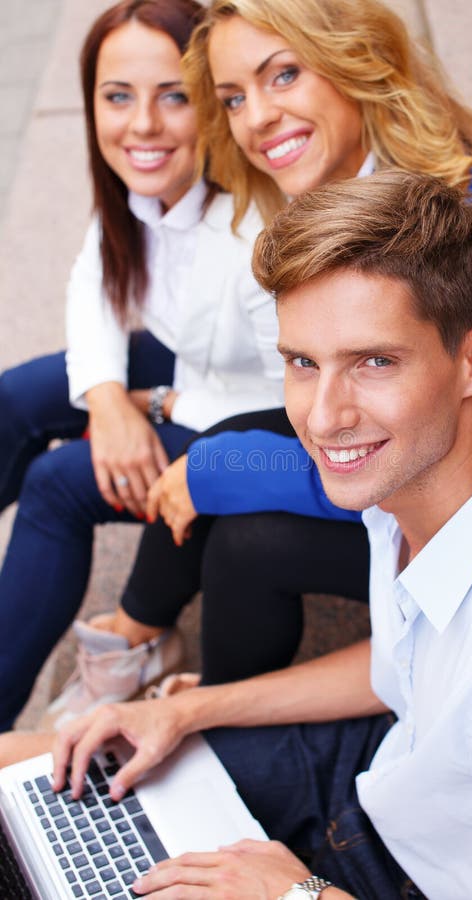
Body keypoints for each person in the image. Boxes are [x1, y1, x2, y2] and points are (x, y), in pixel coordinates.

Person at [12, 170, 472, 898]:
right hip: (387, 782)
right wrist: (182, 709)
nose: (323, 418)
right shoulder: (437, 482)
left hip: (412, 878)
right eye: (302, 363)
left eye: (374, 362)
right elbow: (405, 669)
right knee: (24, 767)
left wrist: (298, 896)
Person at [54, 0, 472, 710]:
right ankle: (152, 657)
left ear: (355, 60)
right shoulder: (349, 186)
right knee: (192, 435)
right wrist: (207, 449)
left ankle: (219, 732)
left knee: (249, 540)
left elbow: (407, 461)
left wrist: (218, 474)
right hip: (442, 441)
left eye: (283, 75)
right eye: (232, 98)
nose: (255, 118)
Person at [0, 0, 285, 733]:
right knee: (19, 397)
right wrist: (105, 399)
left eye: (174, 97)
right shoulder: (139, 187)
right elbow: (91, 284)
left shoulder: (255, 231)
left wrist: (156, 408)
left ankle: (91, 663)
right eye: (117, 96)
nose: (142, 126)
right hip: (202, 363)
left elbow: (293, 404)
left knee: (59, 485)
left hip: (264, 417)